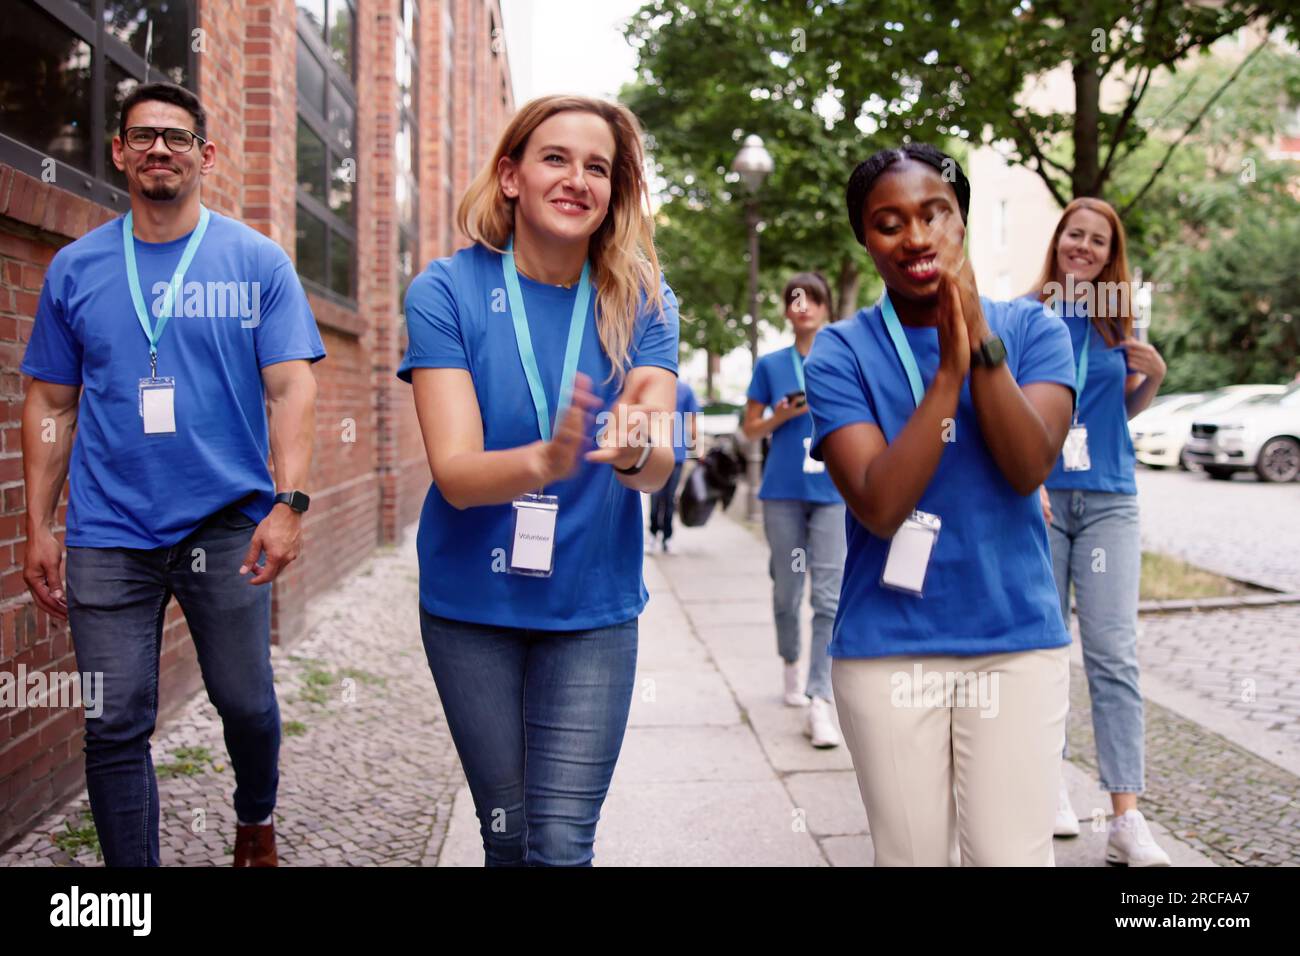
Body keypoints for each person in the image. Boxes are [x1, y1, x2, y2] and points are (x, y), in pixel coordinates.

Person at [20, 83, 325, 867]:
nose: (160, 148)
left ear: (206, 155)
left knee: (245, 702)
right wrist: (39, 526)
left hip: (226, 521)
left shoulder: (255, 262)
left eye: (178, 137)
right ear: (119, 152)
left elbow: (291, 387)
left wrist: (288, 503)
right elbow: (51, 402)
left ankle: (255, 816)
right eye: (143, 135)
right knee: (113, 721)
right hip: (109, 530)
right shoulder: (76, 268)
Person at [397, 94, 679, 866]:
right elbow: (455, 474)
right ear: (511, 175)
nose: (578, 179)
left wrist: (629, 450)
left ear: (615, 191)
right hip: (471, 608)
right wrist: (543, 463)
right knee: (509, 835)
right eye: (556, 157)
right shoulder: (447, 292)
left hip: (590, 607)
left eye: (599, 167)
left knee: (560, 845)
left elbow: (658, 458)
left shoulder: (643, 296)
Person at [805, 144, 1077, 865]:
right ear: (865, 240)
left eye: (935, 214)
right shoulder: (838, 353)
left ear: (962, 221)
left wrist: (978, 342)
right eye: (888, 223)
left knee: (1010, 857)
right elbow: (880, 503)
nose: (917, 237)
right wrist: (947, 375)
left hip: (1015, 645)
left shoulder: (1033, 331)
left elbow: (1028, 466)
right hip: (887, 650)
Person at [1029, 198, 1171, 866]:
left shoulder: (1119, 321)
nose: (1083, 247)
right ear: (1058, 242)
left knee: (1113, 653)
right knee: (1046, 649)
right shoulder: (1027, 315)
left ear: (1111, 252)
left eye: (1097, 239)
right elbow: (1007, 413)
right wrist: (1028, 482)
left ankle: (1125, 819)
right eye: (1074, 235)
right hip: (1045, 502)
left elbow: (1116, 411)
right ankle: (1046, 784)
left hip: (1111, 500)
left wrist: (1153, 380)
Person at [742, 272, 846, 748]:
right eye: (794, 300)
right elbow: (750, 430)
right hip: (782, 491)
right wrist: (782, 413)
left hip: (832, 493)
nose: (802, 306)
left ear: (825, 308)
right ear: (787, 310)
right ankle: (790, 666)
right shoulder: (770, 364)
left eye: (811, 299)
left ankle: (819, 692)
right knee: (788, 589)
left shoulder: (843, 358)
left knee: (828, 595)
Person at [648, 376, 699, 552]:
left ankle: (663, 537)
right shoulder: (659, 386)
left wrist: (694, 446)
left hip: (671, 452)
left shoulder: (682, 389)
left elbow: (692, 420)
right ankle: (657, 535)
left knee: (664, 498)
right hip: (660, 451)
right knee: (661, 498)